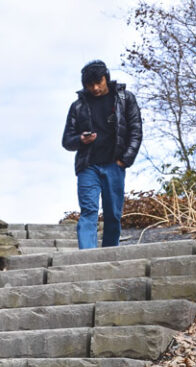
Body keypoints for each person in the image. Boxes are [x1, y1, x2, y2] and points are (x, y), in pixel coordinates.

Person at [61, 60, 143, 249]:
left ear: (106, 77)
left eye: (99, 82)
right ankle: (87, 257)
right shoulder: (78, 106)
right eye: (90, 85)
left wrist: (125, 160)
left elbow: (136, 131)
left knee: (113, 214)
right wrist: (81, 139)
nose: (95, 88)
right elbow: (66, 140)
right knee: (89, 210)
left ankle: (109, 253)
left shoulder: (125, 99)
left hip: (115, 165)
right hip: (88, 167)